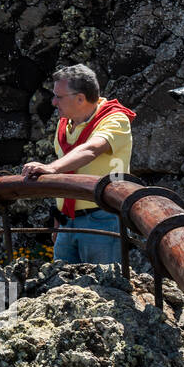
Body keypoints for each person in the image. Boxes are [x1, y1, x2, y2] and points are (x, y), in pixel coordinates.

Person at [21, 65, 135, 268]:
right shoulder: (64, 123)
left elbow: (90, 150)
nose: (53, 102)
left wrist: (51, 168)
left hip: (103, 218)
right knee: (63, 287)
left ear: (80, 98)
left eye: (59, 97)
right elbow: (69, 169)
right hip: (66, 221)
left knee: (105, 288)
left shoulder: (116, 119)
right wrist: (58, 218)